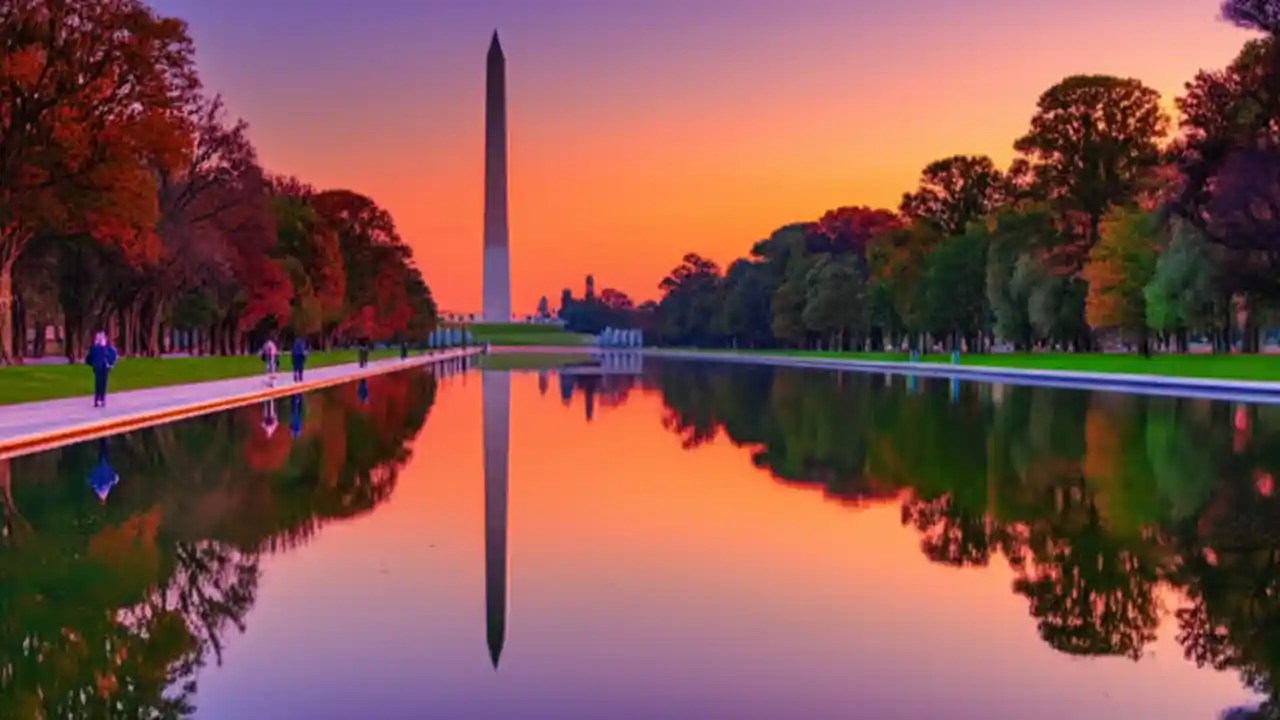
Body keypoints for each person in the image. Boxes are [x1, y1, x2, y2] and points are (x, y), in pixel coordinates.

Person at [85, 332, 118, 408]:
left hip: (104, 368)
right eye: (99, 338)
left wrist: (110, 364)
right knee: (98, 383)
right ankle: (97, 400)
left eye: (102, 337)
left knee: (103, 384)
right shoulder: (95, 348)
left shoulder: (107, 348)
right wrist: (93, 364)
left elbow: (113, 355)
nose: (100, 339)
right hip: (98, 368)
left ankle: (102, 399)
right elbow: (89, 357)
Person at [88, 438, 118, 503]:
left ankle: (103, 440)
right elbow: (95, 484)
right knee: (103, 455)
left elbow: (109, 482)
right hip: (102, 469)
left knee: (104, 454)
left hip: (104, 469)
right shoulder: (102, 493)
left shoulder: (102, 493)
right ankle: (103, 440)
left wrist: (115, 478)